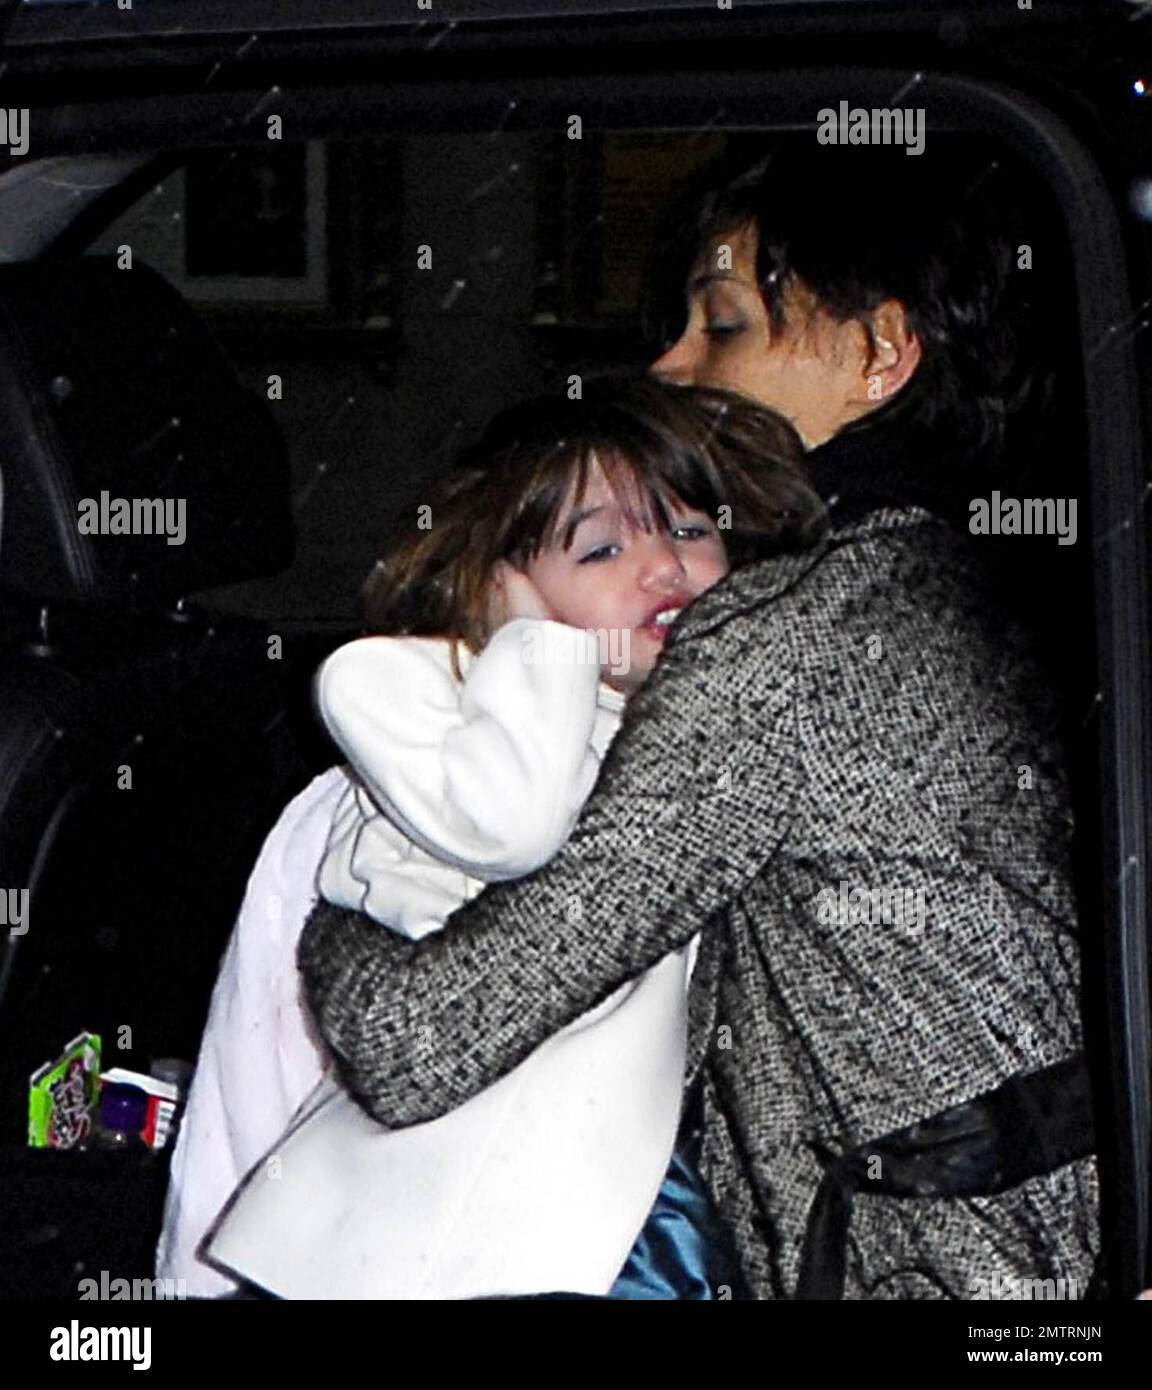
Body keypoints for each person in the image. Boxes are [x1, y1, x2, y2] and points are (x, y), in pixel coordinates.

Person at [293, 147, 1101, 1300]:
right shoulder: (969, 577)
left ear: (880, 352)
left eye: (721, 326)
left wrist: (325, 904)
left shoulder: (791, 637)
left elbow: (421, 1042)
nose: (670, 364)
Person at [158, 374, 822, 1298]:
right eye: (599, 549)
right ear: (501, 590)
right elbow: (507, 835)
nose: (663, 568)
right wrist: (535, 650)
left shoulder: (730, 754)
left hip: (625, 1237)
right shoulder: (426, 737)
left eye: (691, 528)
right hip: (436, 1259)